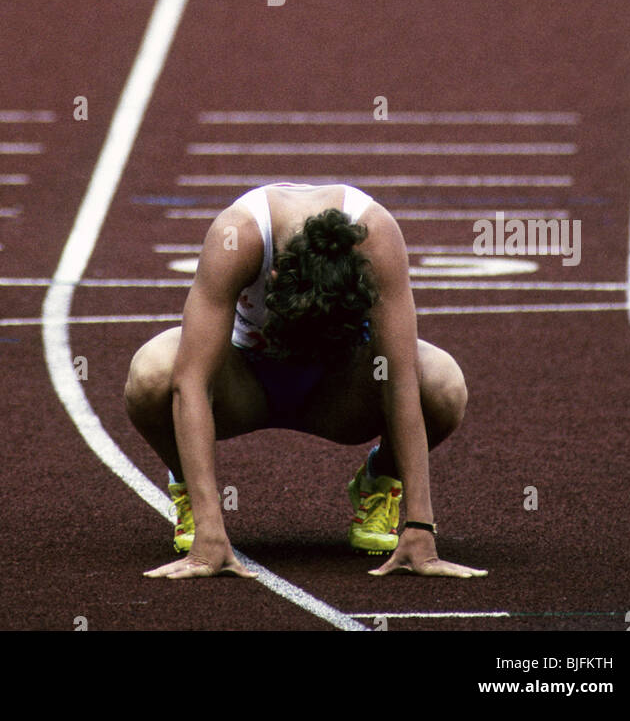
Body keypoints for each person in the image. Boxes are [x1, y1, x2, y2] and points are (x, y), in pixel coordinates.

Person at [124, 181, 487, 580]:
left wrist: (421, 528)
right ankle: (195, 499)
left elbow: (400, 379)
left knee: (441, 383)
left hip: (337, 389)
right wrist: (209, 536)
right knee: (152, 373)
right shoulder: (237, 236)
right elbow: (191, 383)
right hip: (247, 382)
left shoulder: (378, 238)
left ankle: (380, 479)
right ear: (275, 276)